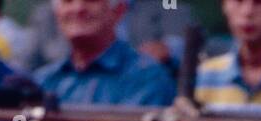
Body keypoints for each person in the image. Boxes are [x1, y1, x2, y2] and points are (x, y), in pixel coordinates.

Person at [34, 0, 176, 106]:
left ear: (118, 11)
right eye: (68, 1)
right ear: (57, 14)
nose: (78, 8)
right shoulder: (43, 81)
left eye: (91, 0)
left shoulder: (148, 78)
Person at [24, 0, 196, 79]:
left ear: (118, 11)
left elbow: (191, 47)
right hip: (66, 91)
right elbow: (26, 66)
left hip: (132, 90)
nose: (78, 8)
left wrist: (168, 50)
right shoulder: (48, 13)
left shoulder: (166, 4)